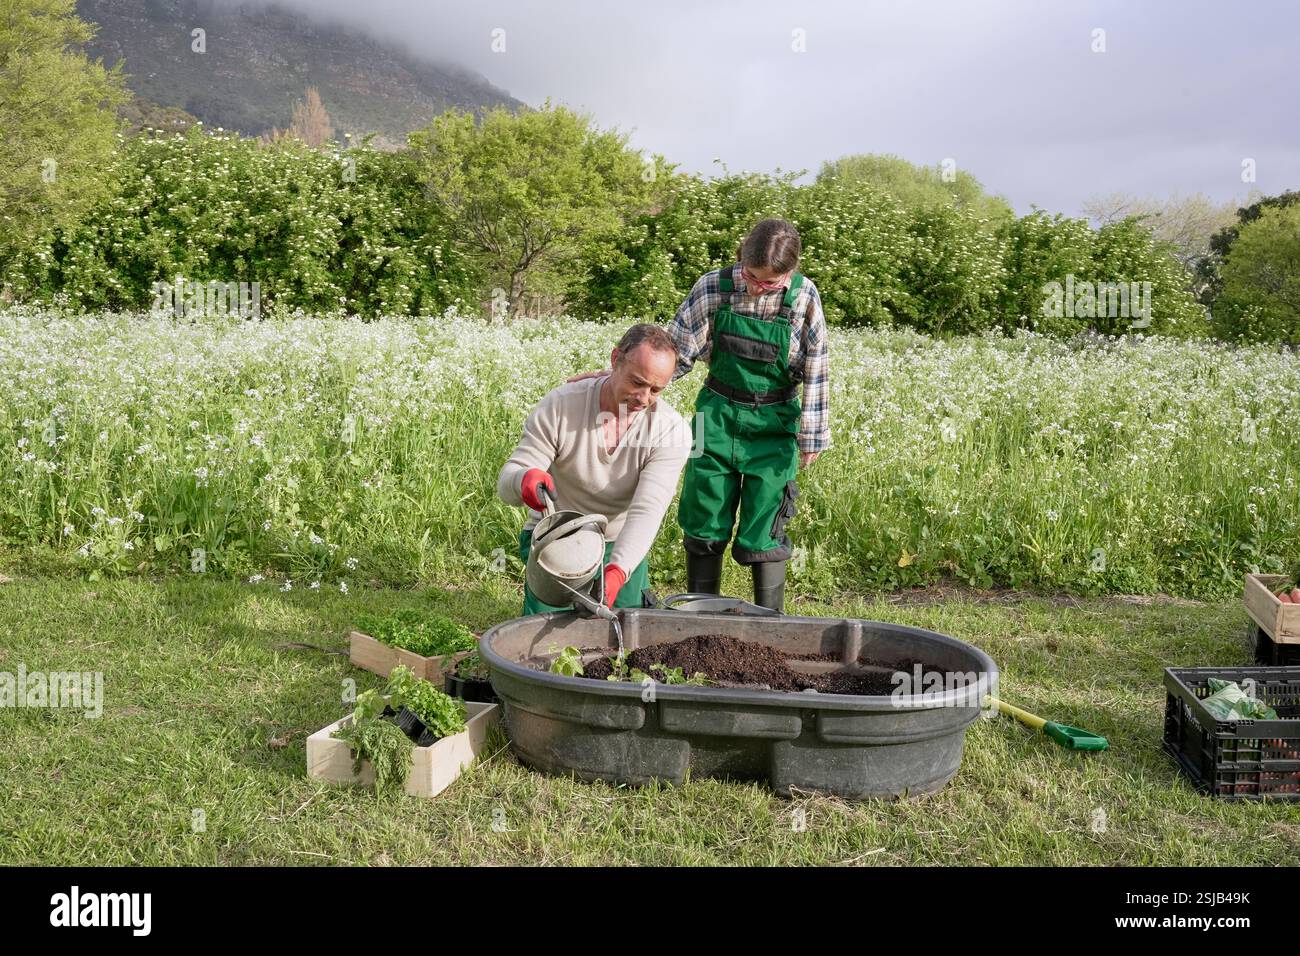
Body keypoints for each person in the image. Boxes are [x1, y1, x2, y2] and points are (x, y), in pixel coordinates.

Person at [667, 217, 830, 612]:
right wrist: (625, 386)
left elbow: (816, 367)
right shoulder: (712, 286)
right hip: (715, 415)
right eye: (751, 276)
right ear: (742, 256)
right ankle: (701, 619)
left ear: (789, 273)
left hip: (775, 421)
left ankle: (770, 623)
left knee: (765, 526)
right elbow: (675, 353)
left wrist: (811, 436)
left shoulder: (804, 296)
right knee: (703, 514)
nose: (757, 288)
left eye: (769, 283)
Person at [498, 323, 691, 615]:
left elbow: (646, 512)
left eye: (656, 389)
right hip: (557, 537)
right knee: (546, 640)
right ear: (615, 360)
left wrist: (617, 572)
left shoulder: (670, 430)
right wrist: (524, 479)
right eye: (637, 383)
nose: (643, 398)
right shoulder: (563, 404)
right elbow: (507, 483)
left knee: (621, 636)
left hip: (619, 541)